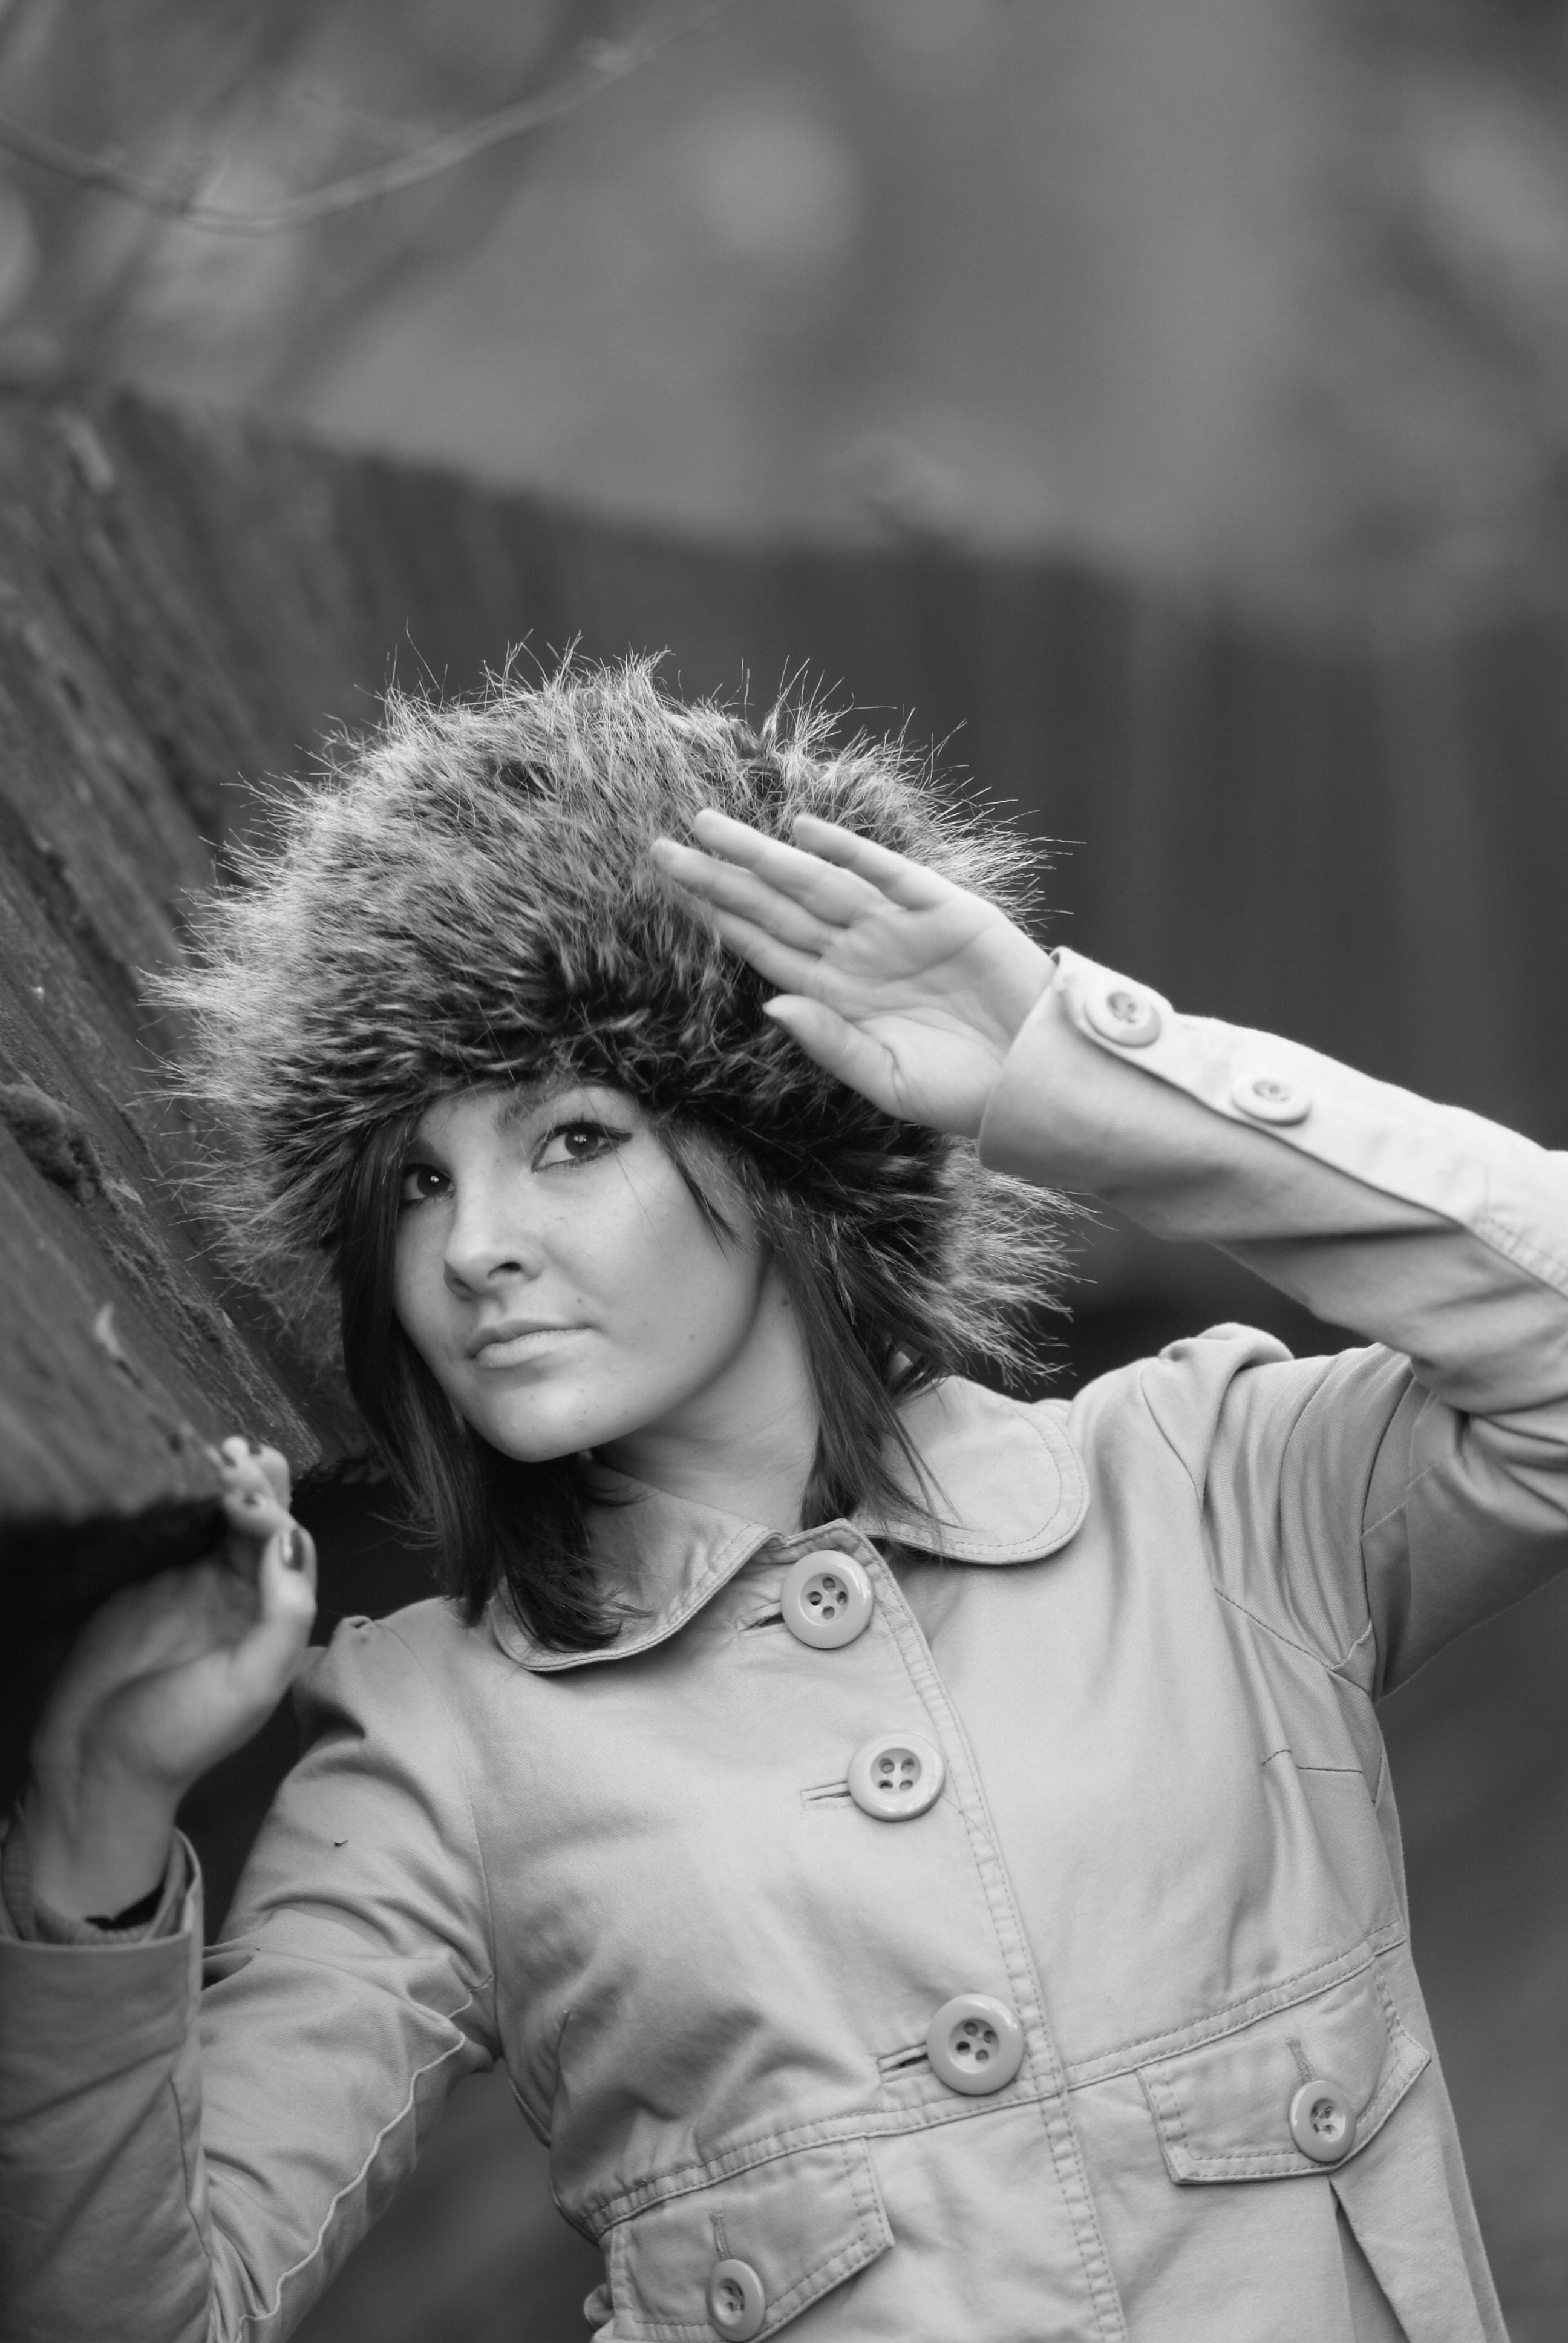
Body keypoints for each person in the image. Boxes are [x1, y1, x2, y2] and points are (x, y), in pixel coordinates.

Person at [2, 657, 1563, 2343]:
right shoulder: (437, 1746)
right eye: (420, 1184)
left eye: (571, 1139)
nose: (473, 1250)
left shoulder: (1211, 1491)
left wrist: (1071, 1071)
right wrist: (96, 1827)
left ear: (780, 1146)